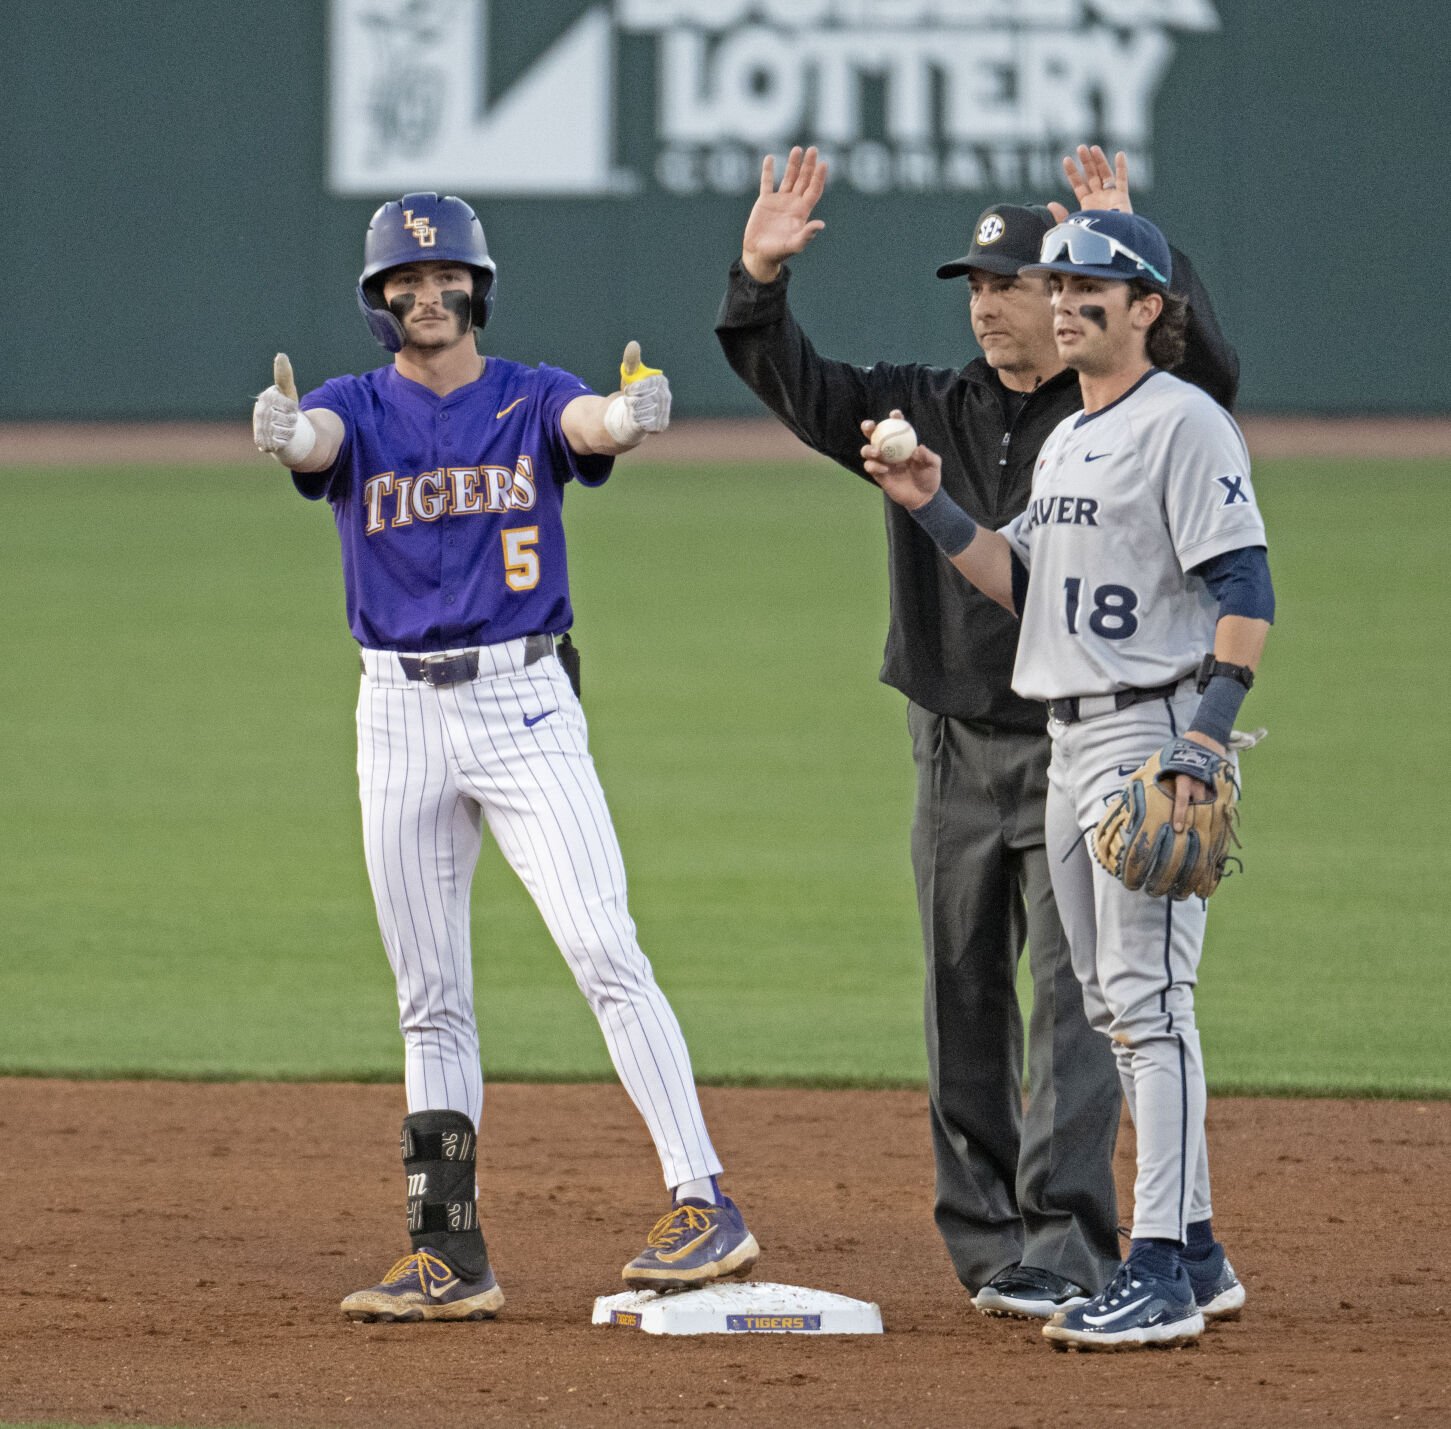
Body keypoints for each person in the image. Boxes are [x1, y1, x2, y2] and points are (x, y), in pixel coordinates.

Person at [716, 146, 1239, 1320]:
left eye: (1016, 281)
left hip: (1085, 744)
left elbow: (1209, 374)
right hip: (951, 750)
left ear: (1070, 298)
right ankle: (988, 1241)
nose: (995, 304)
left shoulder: (1122, 411)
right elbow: (787, 376)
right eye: (979, 285)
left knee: (1078, 1007)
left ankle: (1067, 1244)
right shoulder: (921, 402)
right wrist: (758, 276)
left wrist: (1138, 242)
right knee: (960, 995)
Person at [251, 192, 758, 1322]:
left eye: (444, 279)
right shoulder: (354, 408)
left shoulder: (530, 392)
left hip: (523, 701)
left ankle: (703, 1197)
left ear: (475, 288)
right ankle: (447, 1252)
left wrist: (627, 419)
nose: (426, 296)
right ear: (379, 302)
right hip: (393, 713)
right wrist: (292, 435)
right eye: (404, 283)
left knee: (600, 943)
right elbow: (320, 442)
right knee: (428, 995)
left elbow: (588, 428)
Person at [864, 207, 1272, 1349]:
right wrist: (930, 505)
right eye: (1060, 289)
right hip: (1069, 737)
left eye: (1093, 290)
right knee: (1108, 1002)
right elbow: (1018, 577)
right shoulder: (1069, 439)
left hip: (1150, 730)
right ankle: (1193, 1250)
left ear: (1148, 309)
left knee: (1146, 1008)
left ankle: (1151, 1272)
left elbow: (1246, 588)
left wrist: (1203, 738)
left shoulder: (1183, 426)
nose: (1065, 304)